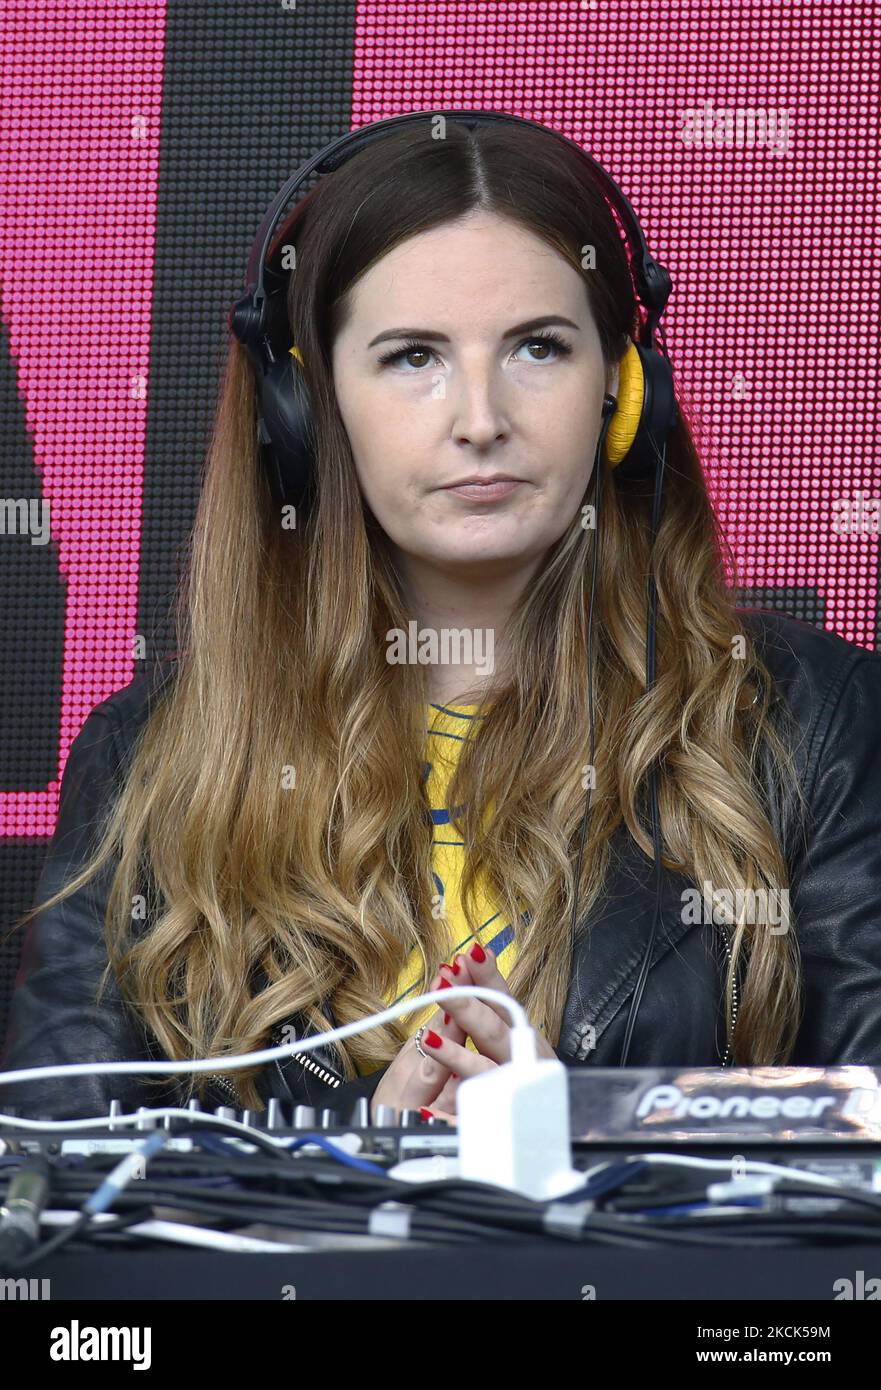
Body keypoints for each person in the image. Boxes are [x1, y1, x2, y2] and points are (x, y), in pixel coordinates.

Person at [3, 117, 881, 1125]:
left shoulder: (814, 726)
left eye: (538, 348)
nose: (478, 418)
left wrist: (581, 1128)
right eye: (412, 355)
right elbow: (49, 1183)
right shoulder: (144, 762)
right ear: (306, 409)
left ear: (621, 389)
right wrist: (369, 1156)